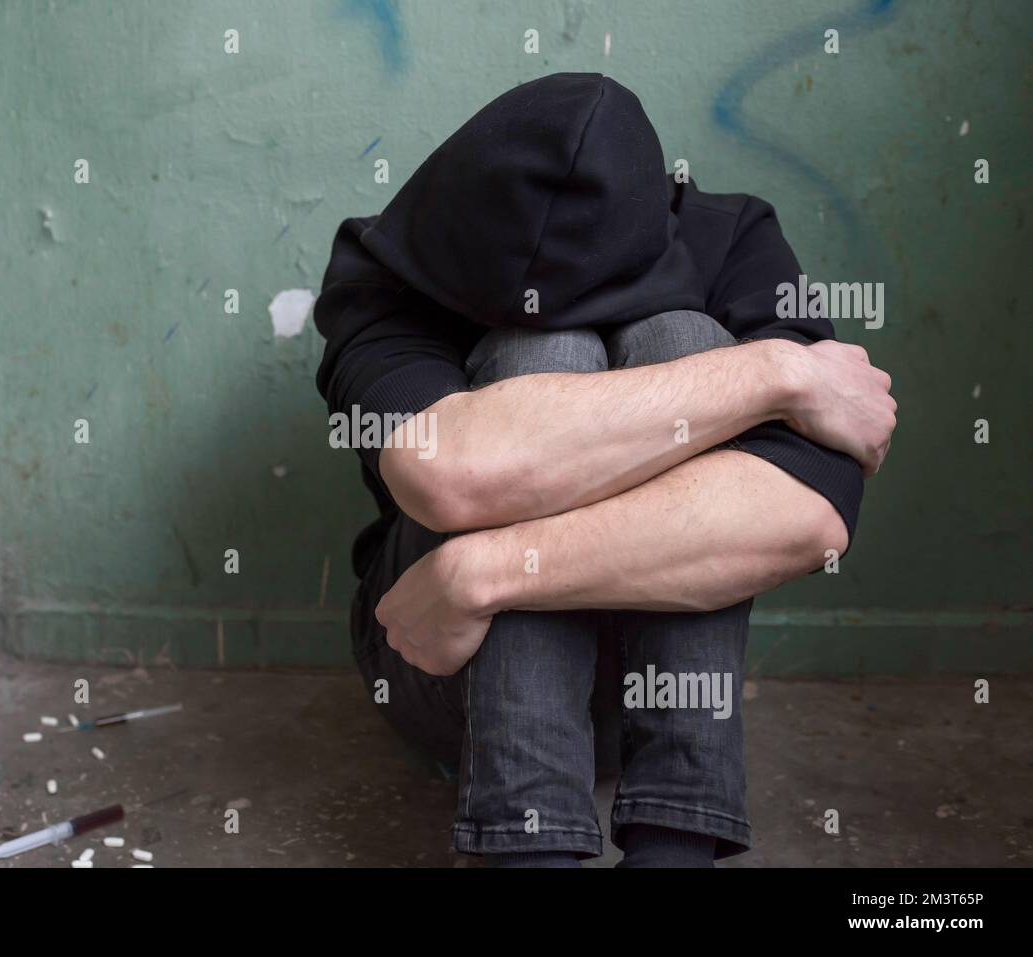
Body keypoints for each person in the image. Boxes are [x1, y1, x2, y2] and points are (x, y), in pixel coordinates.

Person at [313, 73, 896, 867]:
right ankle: (527, 846)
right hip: (434, 652)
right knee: (545, 355)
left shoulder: (732, 238)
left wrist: (487, 570)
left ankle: (674, 843)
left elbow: (808, 518)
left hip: (624, 681)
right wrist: (780, 375)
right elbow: (455, 473)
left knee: (684, 337)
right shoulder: (388, 261)